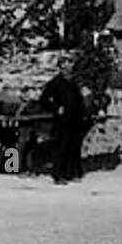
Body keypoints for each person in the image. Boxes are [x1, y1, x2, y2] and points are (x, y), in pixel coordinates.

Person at [39, 55, 87, 184]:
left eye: (70, 64)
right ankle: (58, 175)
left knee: (75, 146)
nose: (68, 67)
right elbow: (44, 99)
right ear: (60, 67)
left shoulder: (75, 81)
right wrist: (56, 108)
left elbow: (80, 99)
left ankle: (72, 173)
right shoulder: (56, 82)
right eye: (64, 65)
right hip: (62, 120)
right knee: (62, 147)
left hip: (76, 119)